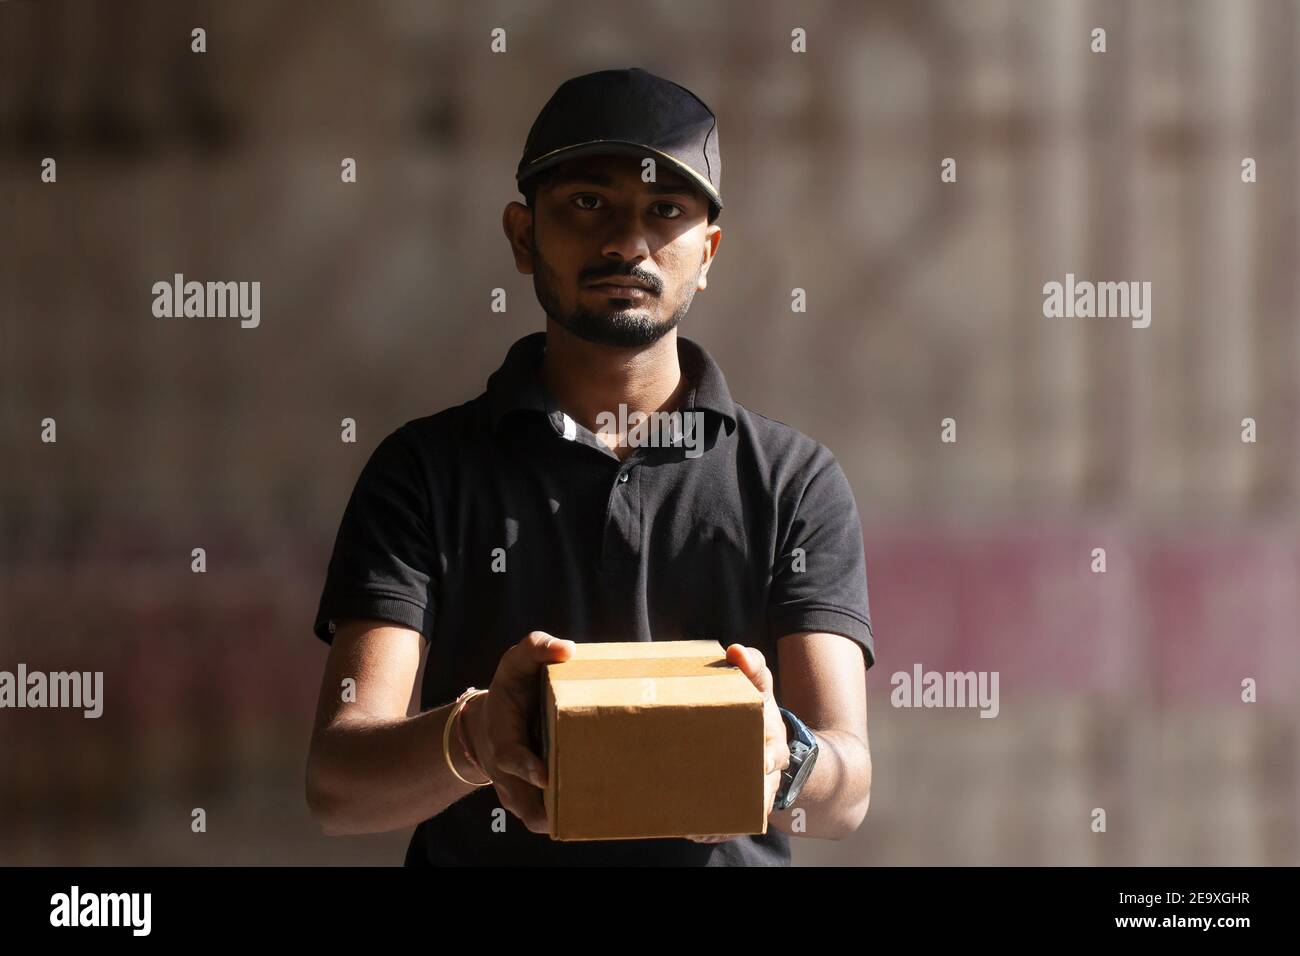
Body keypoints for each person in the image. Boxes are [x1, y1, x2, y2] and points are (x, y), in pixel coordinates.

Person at [306, 67, 875, 865]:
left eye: (664, 211)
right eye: (586, 203)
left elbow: (847, 796)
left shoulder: (793, 480)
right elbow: (338, 783)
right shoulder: (424, 471)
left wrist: (785, 759)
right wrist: (473, 740)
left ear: (707, 253)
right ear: (522, 234)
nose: (625, 243)